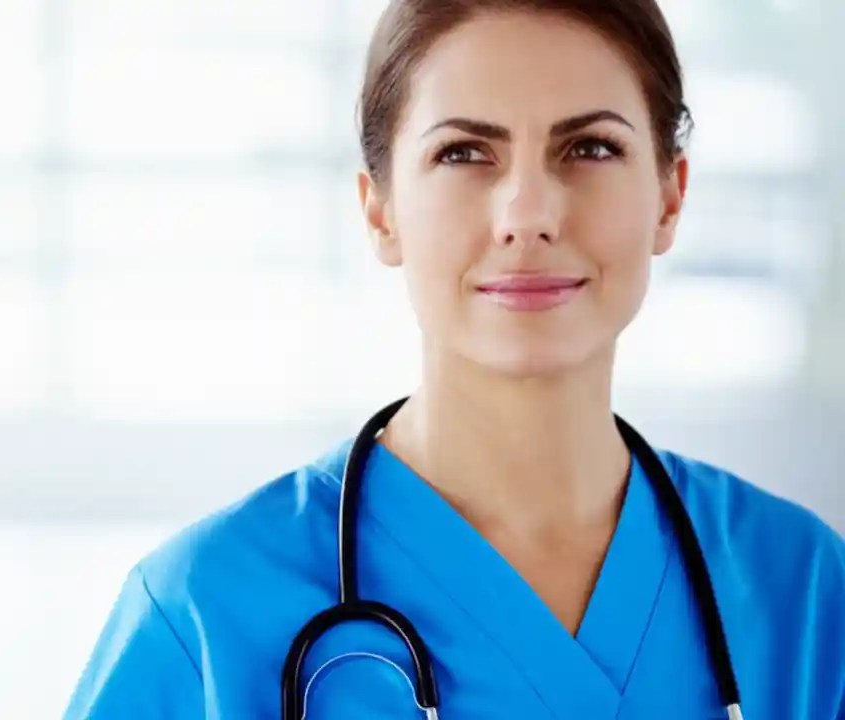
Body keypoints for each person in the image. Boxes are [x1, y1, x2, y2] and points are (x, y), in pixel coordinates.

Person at [63, 1, 845, 717]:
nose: (528, 214)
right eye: (465, 153)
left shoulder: (802, 593)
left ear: (670, 198)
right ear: (380, 210)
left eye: (590, 147)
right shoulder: (204, 615)